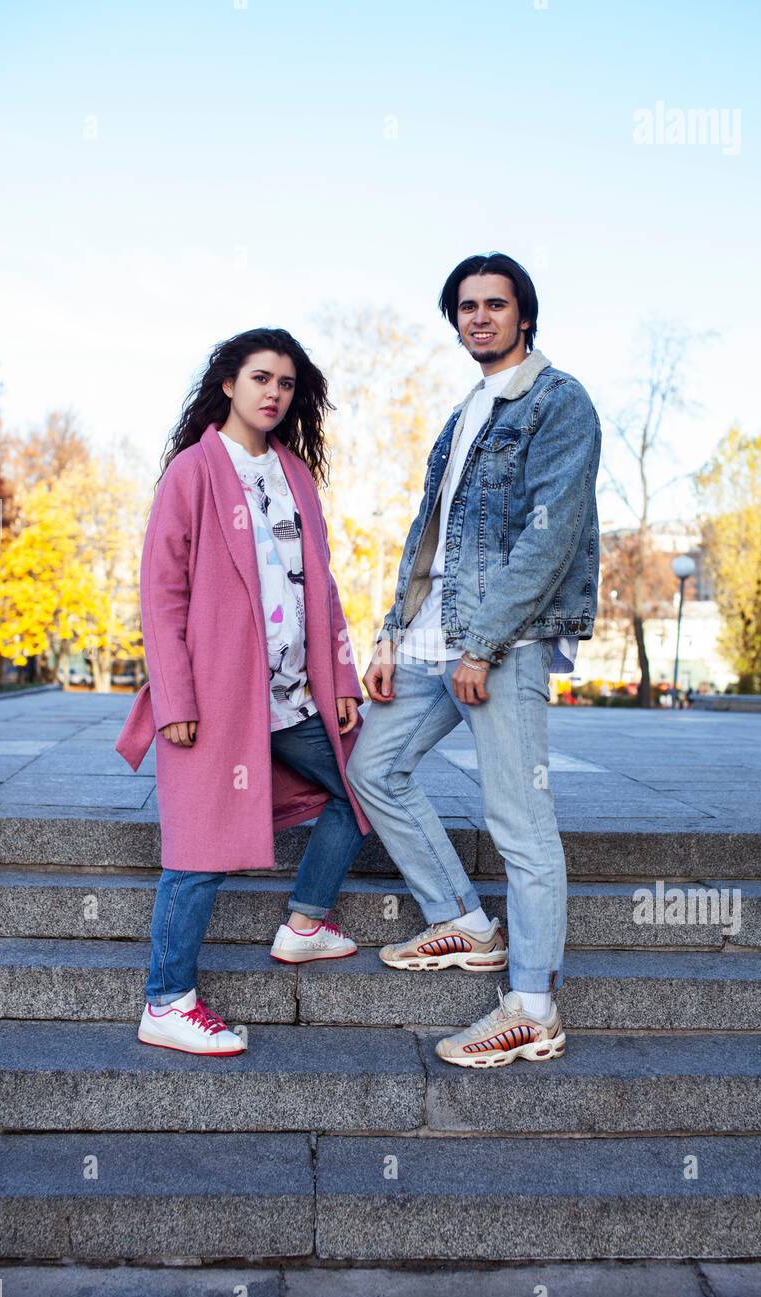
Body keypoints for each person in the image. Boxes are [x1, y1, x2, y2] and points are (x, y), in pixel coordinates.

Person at [346, 252, 601, 1068]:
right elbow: (428, 535)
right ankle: (461, 920)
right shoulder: (465, 411)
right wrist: (391, 632)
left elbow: (549, 536)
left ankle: (532, 1006)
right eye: (466, 306)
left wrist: (484, 643)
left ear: (524, 315)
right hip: (430, 634)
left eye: (496, 304)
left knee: (519, 825)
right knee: (373, 766)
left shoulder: (559, 403)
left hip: (502, 641)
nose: (480, 317)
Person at [115, 328, 372, 1055]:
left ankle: (305, 920)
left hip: (296, 698)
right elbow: (161, 595)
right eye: (261, 378)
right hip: (216, 699)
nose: (273, 393)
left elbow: (321, 585)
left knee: (368, 786)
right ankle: (166, 1001)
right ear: (228, 383)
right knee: (197, 853)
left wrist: (343, 677)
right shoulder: (192, 474)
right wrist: (176, 701)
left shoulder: (295, 475)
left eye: (286, 384)